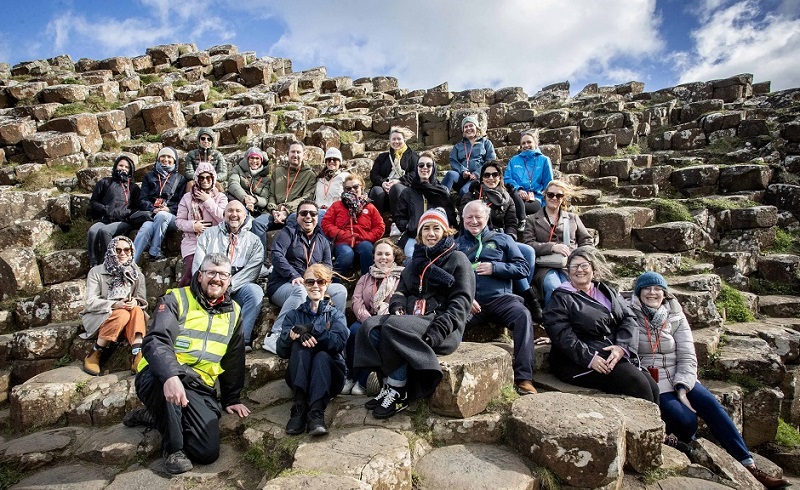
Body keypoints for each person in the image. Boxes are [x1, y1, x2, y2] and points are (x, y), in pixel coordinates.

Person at [629, 272, 790, 489]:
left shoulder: (675, 314)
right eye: (647, 288)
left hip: (680, 377)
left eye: (657, 289)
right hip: (653, 382)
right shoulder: (629, 314)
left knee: (714, 408)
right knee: (686, 421)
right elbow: (629, 353)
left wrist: (683, 387)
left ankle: (748, 464)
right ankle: (683, 443)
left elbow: (687, 354)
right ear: (638, 292)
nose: (652, 292)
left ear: (664, 293)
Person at [131, 253, 250, 474]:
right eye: (211, 273)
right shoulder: (175, 299)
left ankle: (156, 416)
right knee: (166, 385)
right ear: (200, 275)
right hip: (160, 375)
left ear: (230, 279)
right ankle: (173, 451)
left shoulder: (234, 311)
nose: (217, 279)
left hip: (198, 384)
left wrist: (232, 397)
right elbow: (156, 340)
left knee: (206, 452)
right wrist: (169, 375)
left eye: (223, 274)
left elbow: (234, 357)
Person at [354, 208, 475, 418]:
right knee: (370, 326)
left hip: (442, 326)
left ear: (445, 231)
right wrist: (398, 306)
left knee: (392, 327)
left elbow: (461, 303)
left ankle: (399, 390)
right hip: (413, 320)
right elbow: (401, 291)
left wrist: (438, 331)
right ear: (419, 234)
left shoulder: (458, 259)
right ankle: (388, 384)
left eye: (436, 228)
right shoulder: (415, 261)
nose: (431, 233)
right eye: (426, 229)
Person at [543, 247, 659, 402]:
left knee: (653, 386)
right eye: (574, 266)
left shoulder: (605, 290)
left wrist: (622, 348)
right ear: (568, 271)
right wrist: (590, 359)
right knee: (637, 383)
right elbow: (562, 335)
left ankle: (661, 425)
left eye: (584, 265)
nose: (580, 270)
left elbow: (628, 318)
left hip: (611, 352)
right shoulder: (561, 298)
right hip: (579, 361)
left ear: (593, 268)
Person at [456, 201, 537, 395]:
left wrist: (496, 268)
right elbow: (448, 277)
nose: (474, 221)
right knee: (451, 321)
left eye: (478, 217)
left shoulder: (503, 239)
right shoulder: (454, 243)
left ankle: (524, 378)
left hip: (501, 299)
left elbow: (523, 268)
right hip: (470, 303)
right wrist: (465, 298)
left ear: (486, 218)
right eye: (469, 217)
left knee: (523, 316)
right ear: (463, 219)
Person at [262, 200, 348, 354]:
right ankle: (275, 334)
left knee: (340, 290)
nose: (308, 216)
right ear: (297, 217)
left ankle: (335, 332)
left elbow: (328, 267)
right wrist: (293, 275)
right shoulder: (288, 232)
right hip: (284, 285)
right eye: (303, 213)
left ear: (317, 217)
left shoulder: (322, 240)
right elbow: (276, 254)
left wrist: (324, 284)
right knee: (301, 291)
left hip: (313, 285)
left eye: (313, 213)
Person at [459, 162, 541, 320]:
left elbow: (511, 223)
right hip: (476, 236)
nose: (491, 178)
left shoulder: (507, 197)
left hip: (501, 237)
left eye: (495, 174)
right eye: (487, 175)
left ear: (500, 177)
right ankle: (528, 298)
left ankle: (526, 295)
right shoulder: (471, 195)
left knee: (527, 252)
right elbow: (466, 221)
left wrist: (508, 240)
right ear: (482, 177)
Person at [277, 264, 348, 436]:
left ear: (327, 284)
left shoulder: (336, 315)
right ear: (304, 285)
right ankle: (299, 406)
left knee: (322, 355)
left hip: (331, 377)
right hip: (300, 376)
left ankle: (316, 412)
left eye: (320, 281)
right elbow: (281, 349)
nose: (315, 285)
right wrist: (293, 337)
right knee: (299, 345)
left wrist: (312, 329)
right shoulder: (293, 315)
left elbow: (338, 343)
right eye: (310, 282)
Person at [194, 200, 264, 351]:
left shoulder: (254, 241)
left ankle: (240, 341)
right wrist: (212, 285)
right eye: (230, 211)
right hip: (211, 285)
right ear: (224, 214)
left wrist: (228, 286)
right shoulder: (208, 235)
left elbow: (252, 271)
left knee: (255, 292)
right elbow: (199, 266)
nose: (234, 214)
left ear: (246, 216)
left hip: (237, 288)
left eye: (238, 211)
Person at [342, 238, 405, 395]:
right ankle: (351, 376)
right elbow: (356, 301)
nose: (383, 257)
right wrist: (367, 319)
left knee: (371, 335)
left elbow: (401, 301)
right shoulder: (365, 277)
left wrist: (379, 319)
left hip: (388, 321)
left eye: (387, 254)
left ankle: (363, 381)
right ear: (374, 256)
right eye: (379, 254)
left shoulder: (401, 277)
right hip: (367, 318)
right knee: (354, 331)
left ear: (394, 256)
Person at [80, 236, 147, 375]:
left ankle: (137, 353)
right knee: (122, 313)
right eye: (118, 250)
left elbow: (142, 300)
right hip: (102, 316)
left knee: (136, 310)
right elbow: (91, 302)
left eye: (127, 250)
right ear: (111, 251)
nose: (122, 253)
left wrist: (135, 302)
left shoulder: (137, 273)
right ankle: (96, 351)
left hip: (130, 318)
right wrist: (116, 304)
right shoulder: (96, 272)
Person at [523, 180, 593, 306]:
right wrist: (552, 247)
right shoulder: (532, 219)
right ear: (545, 196)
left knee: (574, 289)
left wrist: (579, 257)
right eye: (550, 195)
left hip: (570, 265)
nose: (554, 198)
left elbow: (586, 241)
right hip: (545, 266)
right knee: (555, 288)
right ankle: (554, 320)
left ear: (563, 198)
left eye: (559, 195)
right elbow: (528, 245)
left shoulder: (573, 218)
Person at [395, 151, 457, 260]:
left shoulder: (442, 192)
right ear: (416, 168)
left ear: (433, 168)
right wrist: (409, 226)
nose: (425, 168)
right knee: (411, 257)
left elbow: (451, 218)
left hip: (438, 237)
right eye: (421, 165)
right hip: (414, 236)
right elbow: (399, 217)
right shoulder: (408, 192)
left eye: (428, 165)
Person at [321, 174, 385, 277]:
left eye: (355, 187)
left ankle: (367, 281)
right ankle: (334, 280)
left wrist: (365, 237)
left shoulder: (370, 207)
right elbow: (326, 223)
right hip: (343, 242)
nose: (352, 190)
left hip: (363, 241)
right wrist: (342, 234)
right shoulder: (337, 205)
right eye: (348, 188)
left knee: (367, 249)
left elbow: (380, 226)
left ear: (362, 187)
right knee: (346, 254)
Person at [175, 162, 227, 287]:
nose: (205, 181)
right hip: (192, 242)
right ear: (197, 179)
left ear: (213, 179)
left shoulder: (221, 197)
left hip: (214, 241)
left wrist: (208, 201)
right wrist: (193, 226)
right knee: (193, 271)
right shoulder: (187, 198)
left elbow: (223, 219)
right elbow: (179, 221)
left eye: (208, 178)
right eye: (201, 178)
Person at [133, 147, 187, 263]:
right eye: (163, 156)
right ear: (158, 158)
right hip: (153, 215)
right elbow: (142, 199)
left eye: (169, 157)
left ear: (174, 161)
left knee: (162, 215)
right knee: (145, 228)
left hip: (171, 217)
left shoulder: (180, 179)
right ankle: (130, 263)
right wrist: (153, 209)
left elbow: (182, 202)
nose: (166, 159)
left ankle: (155, 250)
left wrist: (169, 209)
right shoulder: (149, 177)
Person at [87, 154, 140, 267]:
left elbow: (137, 207)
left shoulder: (133, 188)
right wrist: (104, 209)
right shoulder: (105, 182)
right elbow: (93, 201)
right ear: (116, 166)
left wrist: (125, 212)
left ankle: (110, 263)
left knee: (105, 231)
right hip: (105, 219)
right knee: (93, 231)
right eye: (121, 165)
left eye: (127, 167)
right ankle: (94, 263)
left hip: (124, 221)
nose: (123, 169)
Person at [227, 146, 271, 272]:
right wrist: (245, 198)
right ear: (247, 159)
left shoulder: (266, 178)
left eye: (257, 159)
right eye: (252, 158)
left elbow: (266, 199)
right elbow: (233, 184)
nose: (254, 161)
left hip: (257, 210)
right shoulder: (238, 170)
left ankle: (259, 263)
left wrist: (255, 200)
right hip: (240, 204)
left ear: (261, 160)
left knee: (255, 223)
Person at [504, 129, 554, 223]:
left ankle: (522, 220)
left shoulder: (544, 160)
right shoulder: (514, 160)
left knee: (512, 209)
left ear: (536, 143)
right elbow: (507, 178)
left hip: (535, 198)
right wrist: (519, 189)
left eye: (529, 142)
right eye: (523, 143)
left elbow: (548, 184)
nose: (526, 145)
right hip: (516, 197)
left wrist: (545, 207)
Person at [368, 127, 418, 217]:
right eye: (393, 139)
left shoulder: (413, 157)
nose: (396, 141)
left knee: (396, 188)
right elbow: (374, 174)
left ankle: (398, 222)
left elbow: (415, 173)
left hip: (403, 190)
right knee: (376, 191)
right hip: (385, 188)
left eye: (399, 139)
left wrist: (399, 181)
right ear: (390, 141)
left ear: (404, 140)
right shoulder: (382, 157)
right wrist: (383, 182)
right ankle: (375, 222)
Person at [442, 115, 496, 195]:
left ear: (477, 128)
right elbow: (453, 161)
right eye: (466, 127)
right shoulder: (458, 146)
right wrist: (462, 170)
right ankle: (440, 199)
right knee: (450, 174)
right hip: (461, 177)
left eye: (471, 125)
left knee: (464, 191)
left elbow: (490, 161)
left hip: (478, 178)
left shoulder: (486, 143)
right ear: (463, 130)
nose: (468, 128)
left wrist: (477, 173)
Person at [267, 141, 316, 228]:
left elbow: (307, 197)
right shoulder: (278, 172)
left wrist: (287, 210)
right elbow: (271, 195)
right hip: (275, 211)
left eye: (298, 152)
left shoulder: (309, 175)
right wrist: (273, 210)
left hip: (294, 212)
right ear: (287, 154)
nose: (295, 155)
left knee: (293, 222)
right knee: (258, 224)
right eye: (293, 152)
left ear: (303, 155)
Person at [314, 147, 349, 222]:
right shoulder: (319, 179)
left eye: (335, 159)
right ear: (326, 162)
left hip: (336, 213)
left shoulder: (345, 177)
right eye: (329, 159)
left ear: (340, 162)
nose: (331, 161)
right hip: (317, 212)